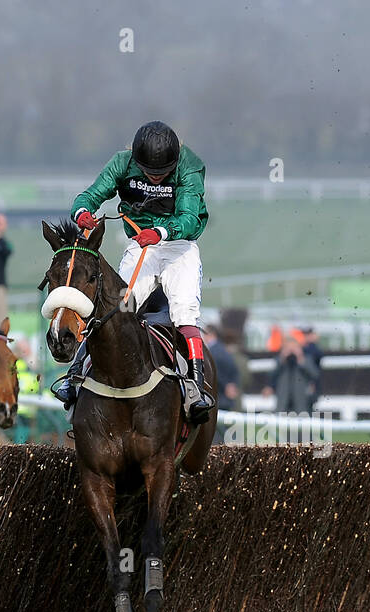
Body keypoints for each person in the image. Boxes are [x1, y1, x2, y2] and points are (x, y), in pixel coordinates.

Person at [57, 120, 214, 424]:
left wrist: (160, 232)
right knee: (115, 311)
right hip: (141, 246)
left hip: (178, 247)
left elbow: (190, 218)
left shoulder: (191, 167)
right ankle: (75, 374)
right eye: (149, 173)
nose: (155, 179)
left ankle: (195, 388)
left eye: (162, 174)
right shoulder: (122, 163)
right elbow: (88, 196)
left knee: (184, 314)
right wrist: (83, 213)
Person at [271, 331, 319, 414]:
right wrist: (283, 358)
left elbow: (315, 374)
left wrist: (300, 358)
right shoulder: (279, 360)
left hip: (301, 401)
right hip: (283, 401)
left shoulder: (306, 359)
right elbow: (272, 375)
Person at [204, 325, 240, 411]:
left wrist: (226, 386)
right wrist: (232, 385)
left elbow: (214, 372)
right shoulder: (223, 349)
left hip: (219, 396)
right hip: (226, 397)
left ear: (211, 334)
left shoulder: (212, 351)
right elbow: (235, 370)